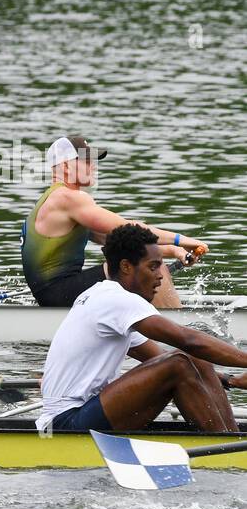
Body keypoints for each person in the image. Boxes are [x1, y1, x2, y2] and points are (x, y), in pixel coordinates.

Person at [37, 224, 247, 435]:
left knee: (192, 359)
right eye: (153, 267)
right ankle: (226, 451)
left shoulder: (105, 298)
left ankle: (232, 437)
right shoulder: (115, 299)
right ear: (127, 266)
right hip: (64, 424)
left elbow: (173, 355)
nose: (161, 277)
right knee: (178, 365)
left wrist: (230, 380)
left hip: (83, 413)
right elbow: (187, 340)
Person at [22, 135, 207, 307]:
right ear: (65, 167)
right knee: (146, 268)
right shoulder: (67, 198)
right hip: (58, 293)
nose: (93, 166)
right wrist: (181, 239)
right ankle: (179, 330)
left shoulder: (55, 199)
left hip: (57, 291)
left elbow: (120, 243)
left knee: (141, 261)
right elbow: (130, 229)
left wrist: (174, 251)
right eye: (87, 161)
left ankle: (160, 322)